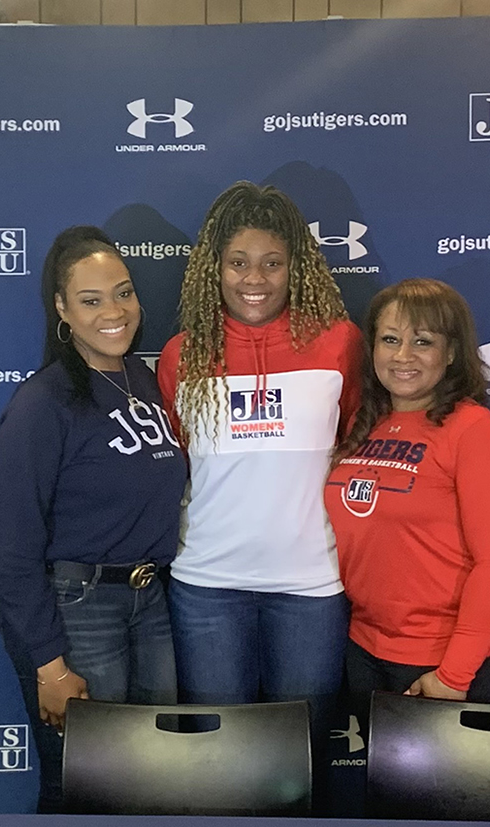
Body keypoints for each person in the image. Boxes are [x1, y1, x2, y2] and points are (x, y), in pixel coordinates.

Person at [0, 226, 186, 811]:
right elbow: (8, 546)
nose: (113, 312)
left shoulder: (142, 381)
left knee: (155, 780)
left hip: (152, 602)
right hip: (80, 610)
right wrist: (49, 666)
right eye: (91, 300)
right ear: (62, 310)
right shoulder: (42, 403)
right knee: (86, 787)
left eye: (123, 293)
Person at [157, 181, 364, 734]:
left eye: (273, 263)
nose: (255, 279)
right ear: (215, 268)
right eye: (238, 263)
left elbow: (353, 441)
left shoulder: (340, 343)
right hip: (206, 587)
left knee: (305, 754)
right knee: (218, 758)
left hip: (309, 589)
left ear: (296, 268)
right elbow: (179, 459)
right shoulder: (182, 355)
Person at [325, 278, 490, 734]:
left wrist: (454, 675)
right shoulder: (364, 423)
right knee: (379, 780)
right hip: (366, 650)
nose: (403, 356)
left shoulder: (474, 431)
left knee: (449, 785)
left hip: (444, 662)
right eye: (390, 339)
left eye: (423, 342)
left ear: (451, 352)